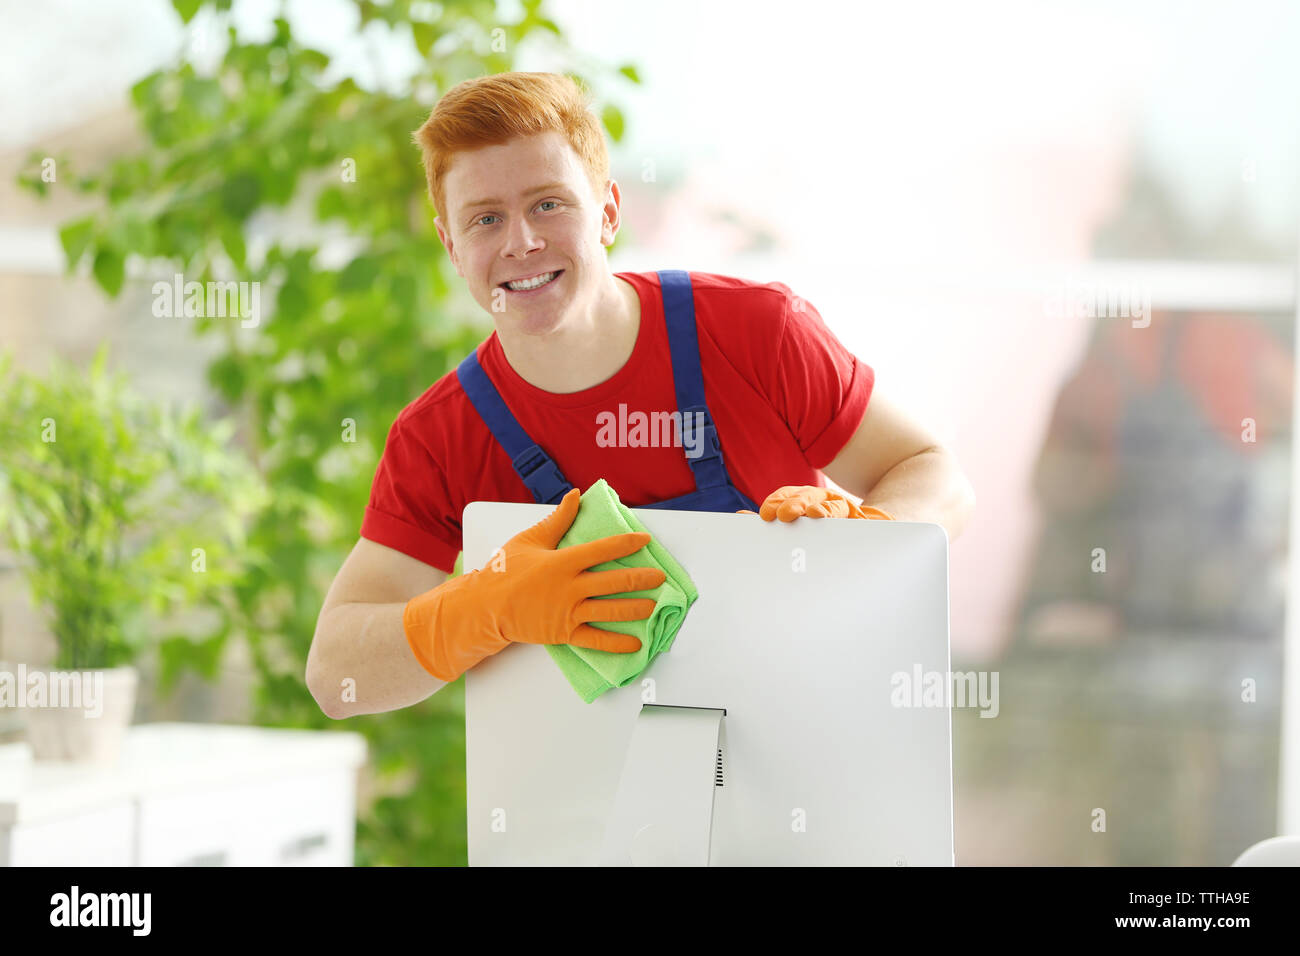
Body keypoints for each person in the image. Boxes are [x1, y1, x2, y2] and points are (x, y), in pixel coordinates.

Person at [306, 72, 976, 719]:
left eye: (549, 203)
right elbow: (338, 679)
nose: (522, 242)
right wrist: (489, 604)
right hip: (578, 819)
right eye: (485, 219)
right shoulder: (440, 437)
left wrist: (868, 540)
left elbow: (933, 474)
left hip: (807, 760)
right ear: (452, 246)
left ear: (608, 211)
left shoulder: (757, 333)